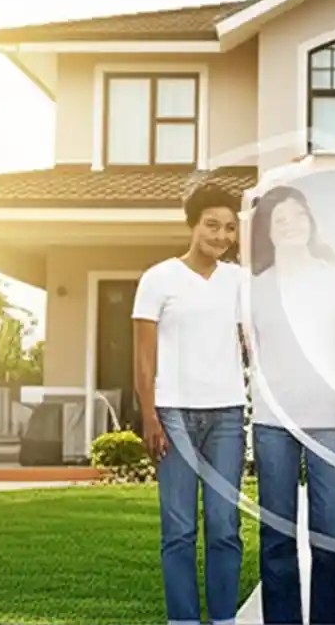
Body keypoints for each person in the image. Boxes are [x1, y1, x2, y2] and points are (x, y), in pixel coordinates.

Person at [132, 181, 246, 625]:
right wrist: (149, 414)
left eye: (230, 229)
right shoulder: (159, 278)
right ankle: (182, 619)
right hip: (173, 414)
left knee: (224, 527)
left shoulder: (239, 280)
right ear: (193, 225)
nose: (220, 236)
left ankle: (223, 619)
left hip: (228, 416)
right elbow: (143, 357)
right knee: (179, 529)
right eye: (212, 225)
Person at [246, 185, 335, 625]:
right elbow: (249, 349)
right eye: (279, 219)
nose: (290, 224)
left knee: (330, 540)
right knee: (277, 538)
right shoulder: (253, 286)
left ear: (310, 222)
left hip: (330, 418)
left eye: (297, 215)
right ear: (267, 232)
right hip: (273, 422)